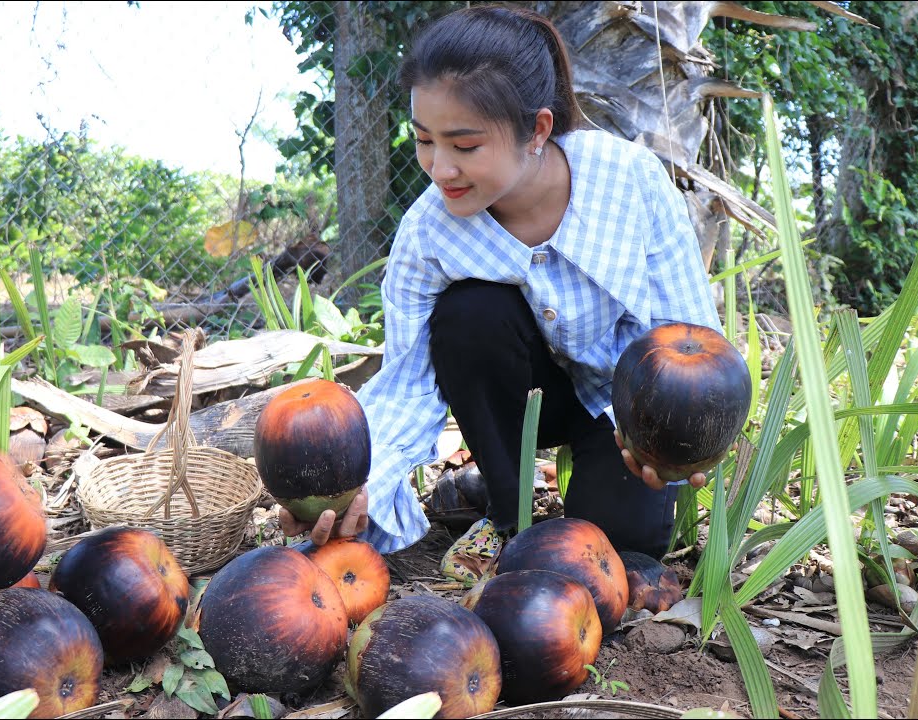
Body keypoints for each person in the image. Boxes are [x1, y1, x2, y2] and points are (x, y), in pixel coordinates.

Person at [279, 4, 720, 582]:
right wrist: (361, 484)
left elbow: (687, 334)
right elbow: (407, 382)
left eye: (464, 146)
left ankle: (577, 495)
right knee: (468, 314)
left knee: (610, 556)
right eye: (423, 141)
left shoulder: (628, 181)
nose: (439, 168)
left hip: (620, 405)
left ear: (536, 129)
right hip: (515, 389)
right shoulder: (430, 232)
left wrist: (679, 437)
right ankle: (506, 511)